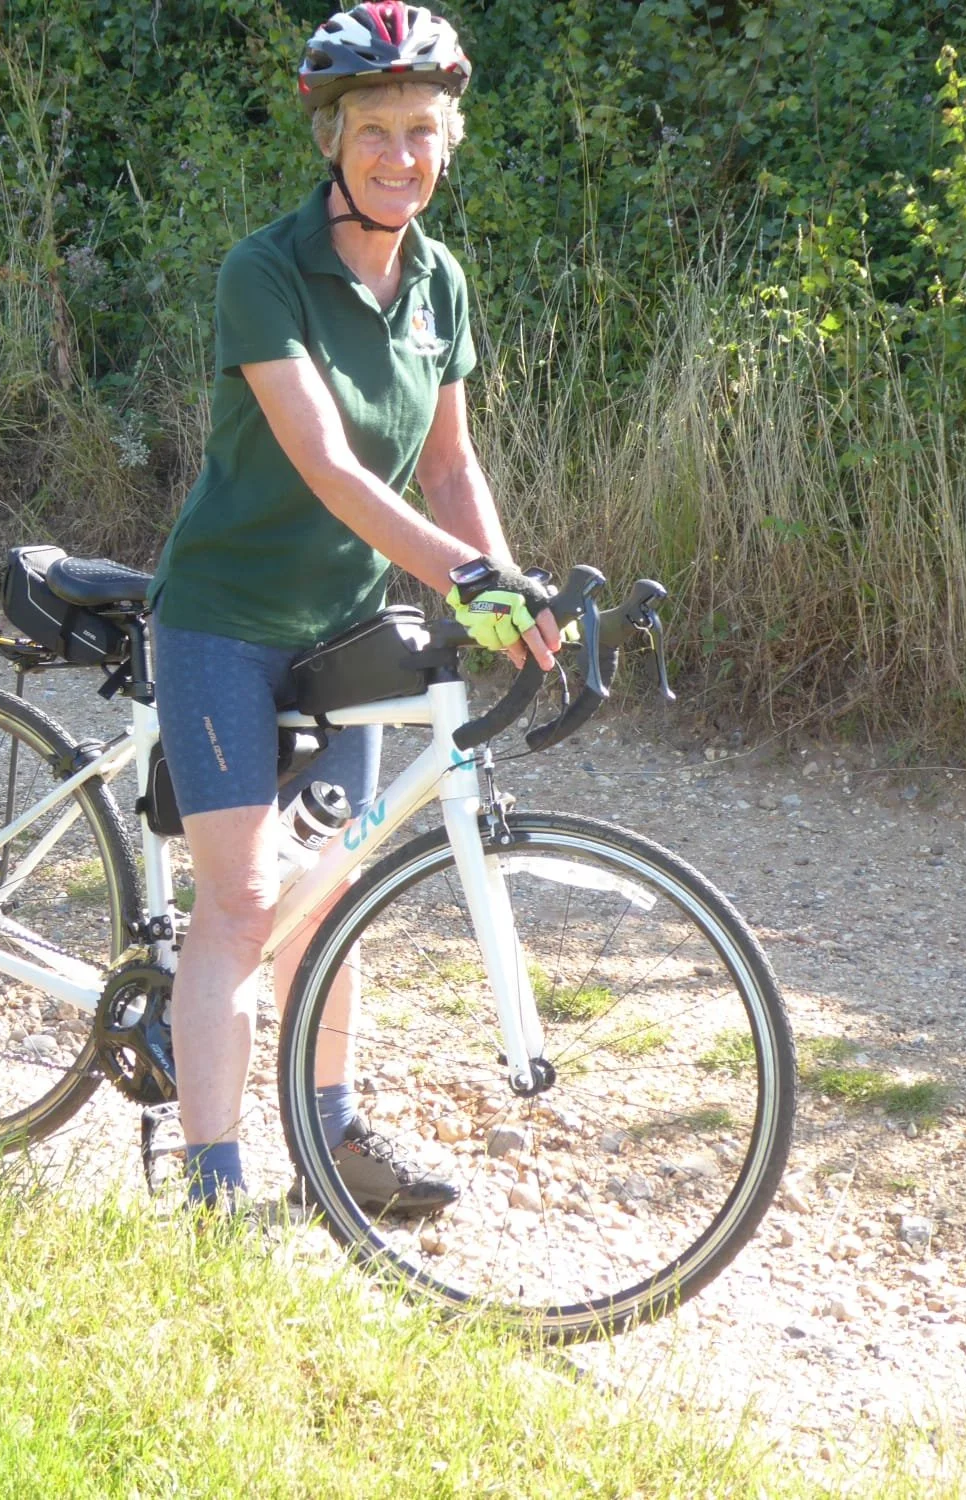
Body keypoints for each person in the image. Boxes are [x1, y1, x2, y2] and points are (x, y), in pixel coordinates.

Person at [147, 2, 562, 1215]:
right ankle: (209, 1189)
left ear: (450, 140)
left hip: (345, 632)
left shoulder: (437, 280)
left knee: (327, 889)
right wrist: (459, 576)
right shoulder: (263, 272)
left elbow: (447, 469)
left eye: (421, 130)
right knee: (239, 902)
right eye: (373, 129)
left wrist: (511, 586)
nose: (399, 155)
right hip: (225, 619)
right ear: (330, 139)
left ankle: (331, 1142)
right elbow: (327, 464)